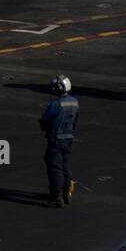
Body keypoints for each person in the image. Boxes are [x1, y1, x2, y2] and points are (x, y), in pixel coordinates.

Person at [39, 75, 79, 208]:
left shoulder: (56, 103)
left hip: (56, 139)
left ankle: (56, 196)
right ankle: (67, 193)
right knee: (65, 166)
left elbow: (45, 120)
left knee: (54, 167)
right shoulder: (74, 101)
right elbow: (75, 121)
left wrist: (45, 127)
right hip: (69, 139)